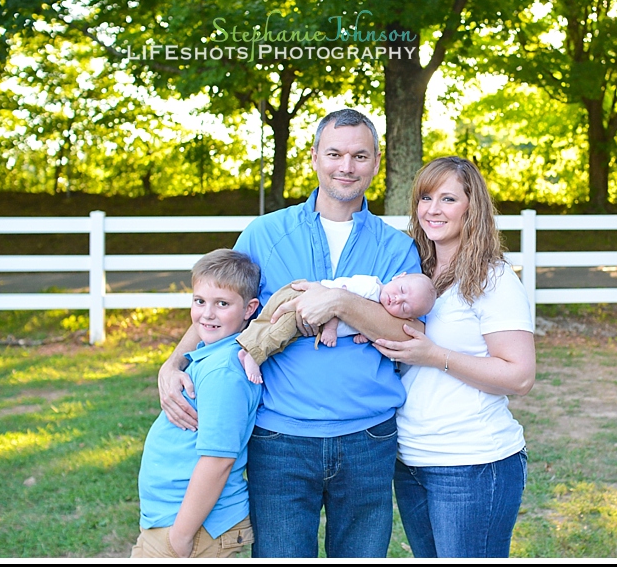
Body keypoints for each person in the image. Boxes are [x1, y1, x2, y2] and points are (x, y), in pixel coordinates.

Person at [157, 108, 424, 558]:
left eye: (360, 155)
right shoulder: (265, 233)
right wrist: (174, 361)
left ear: (376, 162)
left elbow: (406, 332)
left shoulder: (396, 246)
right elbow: (222, 307)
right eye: (335, 153)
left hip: (368, 437)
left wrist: (339, 302)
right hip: (279, 437)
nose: (346, 166)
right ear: (314, 157)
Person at [371, 156, 537, 558]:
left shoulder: (492, 279)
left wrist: (436, 355)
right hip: (410, 459)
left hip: (472, 462)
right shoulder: (412, 274)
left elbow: (520, 376)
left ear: (471, 206)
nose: (432, 209)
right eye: (425, 197)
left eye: (448, 199)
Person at [132, 248, 261, 558]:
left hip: (196, 528)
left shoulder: (224, 372)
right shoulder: (211, 355)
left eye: (223, 304)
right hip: (176, 520)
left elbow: (218, 461)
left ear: (249, 308)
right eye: (200, 301)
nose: (207, 314)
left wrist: (181, 537)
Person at [236, 272, 437, 384]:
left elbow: (360, 320)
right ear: (398, 277)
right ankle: (253, 355)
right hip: (299, 296)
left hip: (308, 313)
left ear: (408, 317)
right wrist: (331, 329)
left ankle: (249, 350)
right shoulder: (371, 288)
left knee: (274, 331)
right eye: (401, 290)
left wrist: (363, 334)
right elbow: (335, 299)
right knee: (279, 330)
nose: (396, 299)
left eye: (404, 306)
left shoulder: (379, 310)